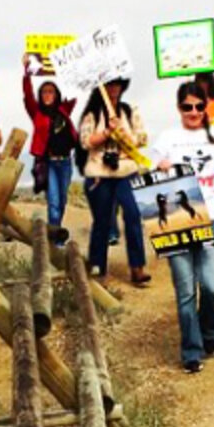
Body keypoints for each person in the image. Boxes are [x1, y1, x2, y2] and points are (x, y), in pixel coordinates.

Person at [153, 80, 214, 373]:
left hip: (211, 218)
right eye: (187, 107)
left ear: (206, 106)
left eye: (199, 106)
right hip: (177, 221)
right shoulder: (168, 138)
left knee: (211, 286)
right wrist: (159, 166)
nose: (193, 112)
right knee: (185, 290)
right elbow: (148, 168)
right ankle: (191, 352)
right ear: (178, 108)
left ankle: (207, 331)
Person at [78, 78, 151, 285]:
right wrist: (107, 133)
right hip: (100, 173)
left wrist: (123, 133)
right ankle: (97, 266)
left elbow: (142, 138)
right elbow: (86, 141)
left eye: (117, 84)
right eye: (109, 84)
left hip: (127, 171)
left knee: (133, 214)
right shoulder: (92, 114)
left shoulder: (129, 111)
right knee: (102, 220)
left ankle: (137, 267)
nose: (114, 89)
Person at [22, 64, 77, 233]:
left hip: (66, 162)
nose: (47, 94)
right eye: (44, 92)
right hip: (49, 163)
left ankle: (55, 230)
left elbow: (73, 92)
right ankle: (55, 236)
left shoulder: (64, 110)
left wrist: (70, 68)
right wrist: (26, 71)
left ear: (56, 94)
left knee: (62, 201)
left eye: (51, 91)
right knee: (53, 201)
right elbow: (28, 95)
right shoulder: (36, 112)